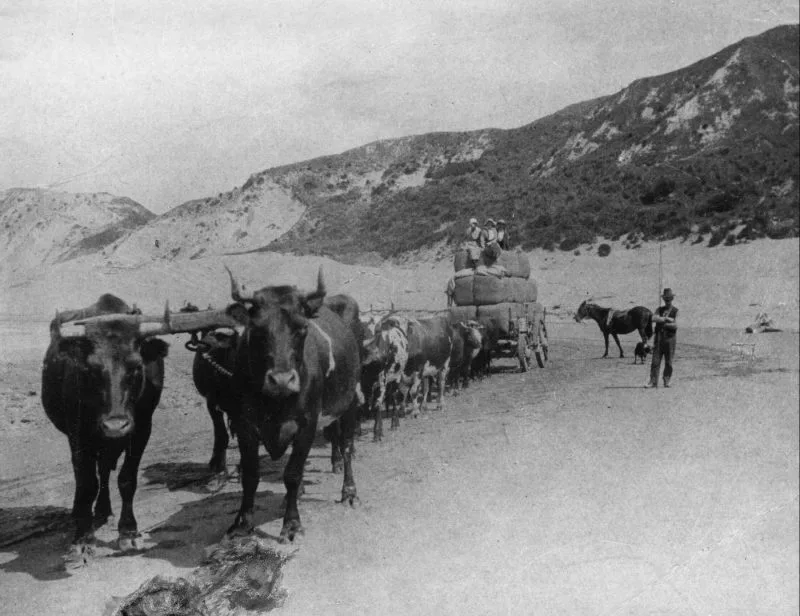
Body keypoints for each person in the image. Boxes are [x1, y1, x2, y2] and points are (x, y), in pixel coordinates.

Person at [648, 288, 678, 388]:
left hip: (670, 339)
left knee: (669, 362)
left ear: (672, 299)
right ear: (664, 299)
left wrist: (663, 324)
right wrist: (665, 319)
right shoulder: (659, 309)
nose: (667, 301)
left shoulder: (675, 311)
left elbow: (675, 325)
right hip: (659, 338)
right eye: (666, 299)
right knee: (655, 361)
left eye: (669, 299)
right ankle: (653, 381)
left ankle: (667, 381)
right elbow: (653, 318)